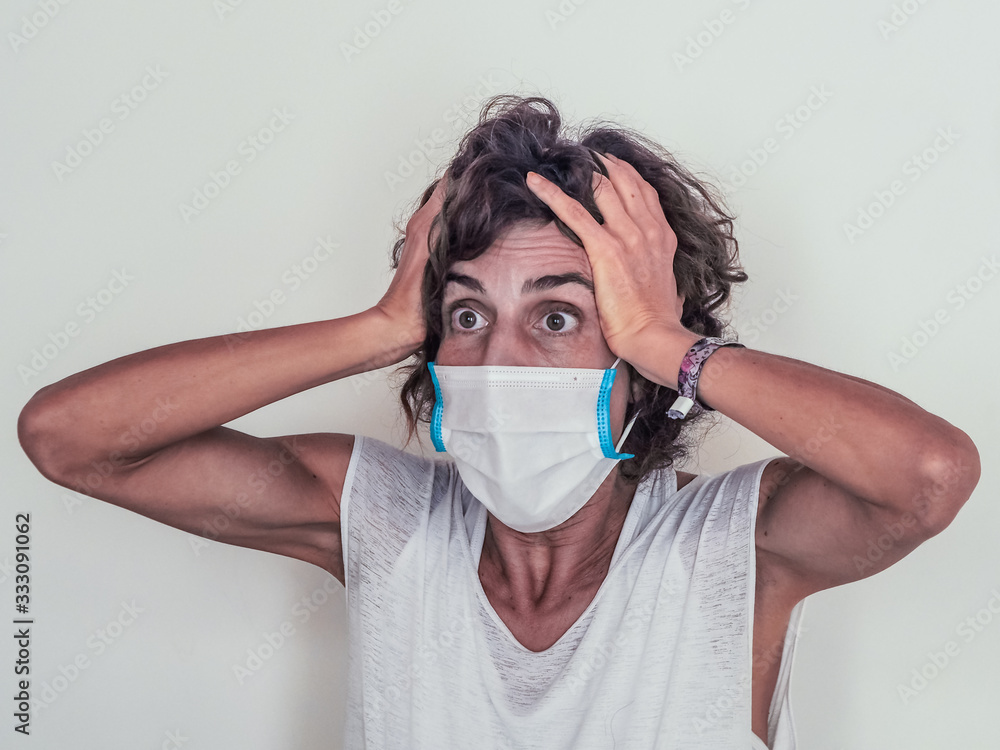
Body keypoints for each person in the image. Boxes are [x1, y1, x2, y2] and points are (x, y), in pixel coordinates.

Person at [18, 95, 980, 749]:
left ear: (639, 373)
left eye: (558, 317)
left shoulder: (734, 548)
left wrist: (663, 336)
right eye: (470, 315)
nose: (500, 357)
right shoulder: (384, 522)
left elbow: (927, 475)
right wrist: (383, 324)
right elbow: (68, 437)